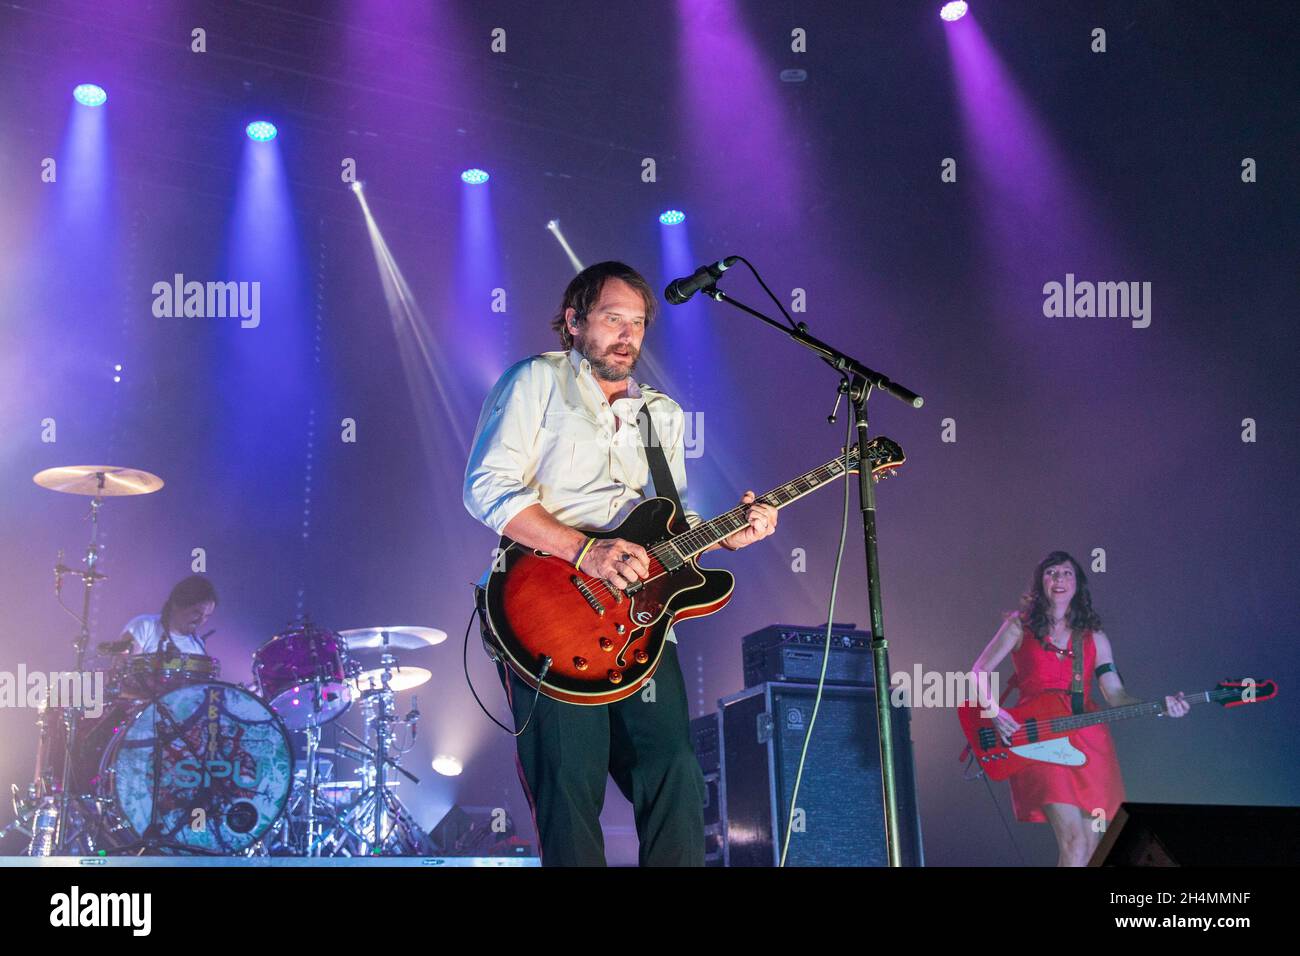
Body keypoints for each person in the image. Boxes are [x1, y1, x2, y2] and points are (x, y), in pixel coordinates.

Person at [463, 261, 778, 866]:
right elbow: (487, 489)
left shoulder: (661, 414)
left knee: (675, 771)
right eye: (613, 319)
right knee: (569, 785)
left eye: (637, 323)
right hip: (546, 604)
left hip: (638, 621)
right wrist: (587, 549)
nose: (627, 335)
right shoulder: (536, 381)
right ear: (575, 322)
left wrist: (729, 535)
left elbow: (667, 529)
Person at [970, 551, 1189, 866]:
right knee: (1074, 842)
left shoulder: (1094, 637)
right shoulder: (1020, 626)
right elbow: (978, 670)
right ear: (1040, 582)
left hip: (1088, 741)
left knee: (1091, 848)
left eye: (1066, 573)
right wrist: (993, 711)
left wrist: (1160, 707)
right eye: (1051, 572)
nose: (1059, 579)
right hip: (1039, 738)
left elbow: (1115, 694)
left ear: (1078, 585)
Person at [118, 574, 218, 657]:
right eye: (196, 613)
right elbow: (123, 670)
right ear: (177, 604)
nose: (201, 621)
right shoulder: (144, 626)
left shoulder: (198, 646)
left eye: (207, 616)